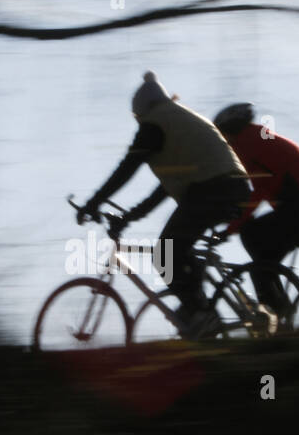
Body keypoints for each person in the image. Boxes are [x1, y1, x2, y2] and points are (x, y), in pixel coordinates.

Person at [77, 73, 253, 335]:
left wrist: (93, 202)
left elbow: (127, 168)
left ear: (140, 112)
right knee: (177, 249)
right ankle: (199, 311)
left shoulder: (154, 125)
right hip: (229, 188)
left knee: (165, 254)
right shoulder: (176, 120)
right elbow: (162, 191)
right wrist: (130, 217)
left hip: (214, 189)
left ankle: (203, 316)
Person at [213, 102, 299, 318]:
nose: (223, 142)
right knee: (264, 260)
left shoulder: (248, 143)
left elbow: (258, 191)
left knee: (254, 243)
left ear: (230, 130)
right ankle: (281, 315)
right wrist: (233, 224)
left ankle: (276, 316)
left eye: (222, 135)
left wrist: (230, 229)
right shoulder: (256, 138)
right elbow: (259, 189)